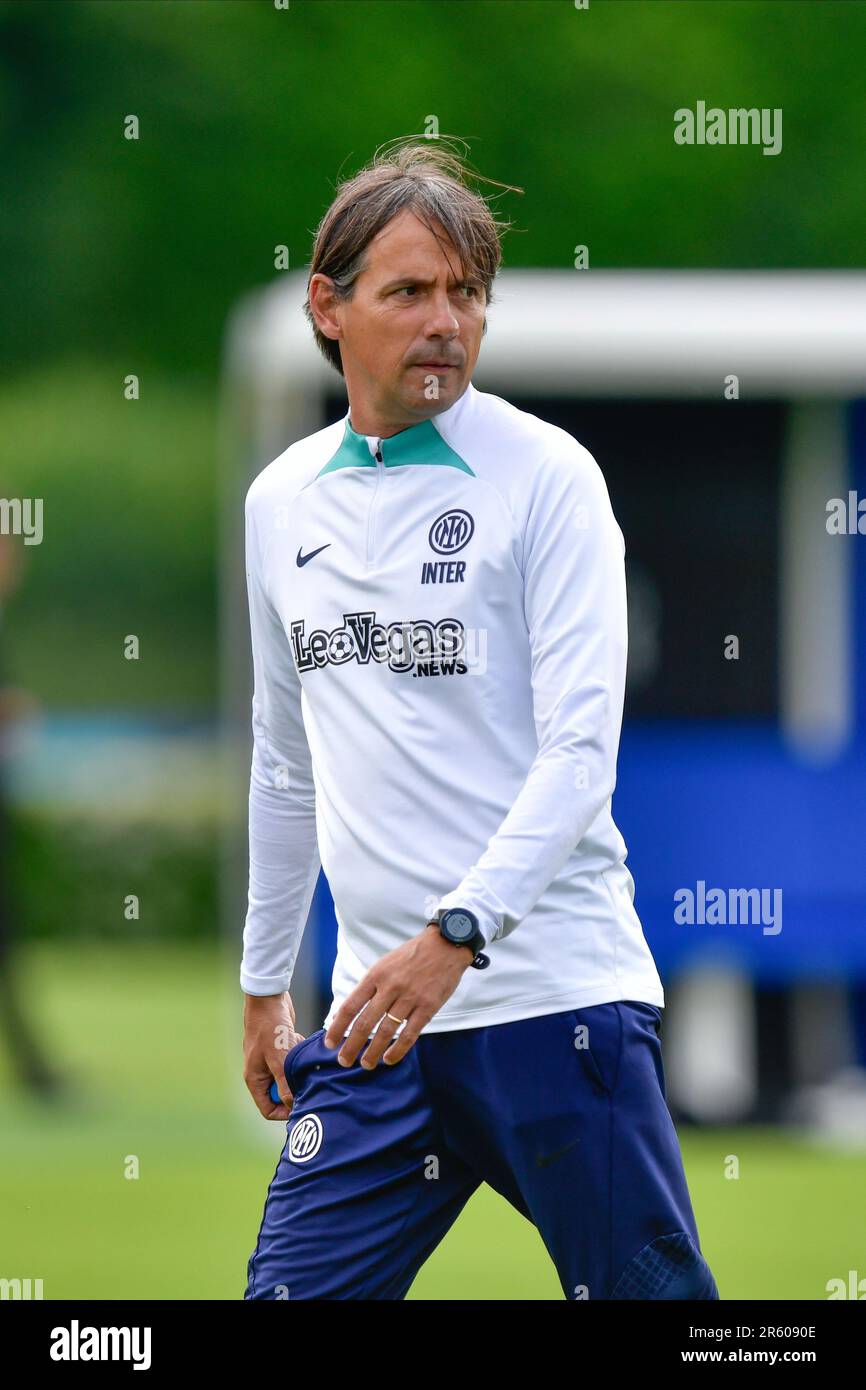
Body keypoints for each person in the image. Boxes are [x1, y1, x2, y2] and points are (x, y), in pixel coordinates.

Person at [241, 138, 718, 1301]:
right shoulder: (277, 501)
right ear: (328, 307)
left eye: (466, 292)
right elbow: (284, 760)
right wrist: (264, 983)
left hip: (549, 1001)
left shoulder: (547, 477)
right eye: (408, 291)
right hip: (374, 1027)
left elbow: (576, 756)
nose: (444, 320)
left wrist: (455, 933)